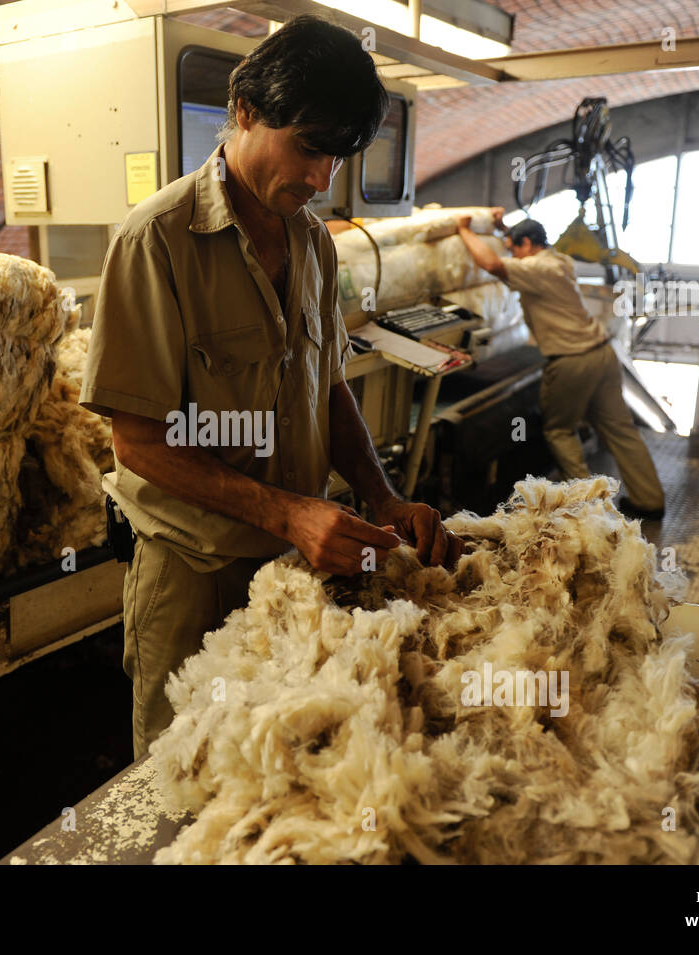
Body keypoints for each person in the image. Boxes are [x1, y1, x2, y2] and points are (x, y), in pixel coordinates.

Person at [79, 14, 463, 759]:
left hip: (292, 569)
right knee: (186, 777)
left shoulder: (313, 242)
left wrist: (380, 495)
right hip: (196, 574)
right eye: (310, 149)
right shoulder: (156, 241)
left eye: (339, 159)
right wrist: (287, 511)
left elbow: (327, 386)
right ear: (246, 111)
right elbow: (138, 442)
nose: (322, 179)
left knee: (280, 771)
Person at [454, 211, 665, 520]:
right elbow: (517, 248)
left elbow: (492, 265)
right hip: (602, 354)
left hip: (572, 361)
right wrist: (502, 228)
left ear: (527, 244)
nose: (512, 254)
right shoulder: (558, 260)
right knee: (620, 429)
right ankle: (650, 500)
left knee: (559, 430)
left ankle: (587, 511)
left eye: (514, 248)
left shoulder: (536, 268)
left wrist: (464, 231)